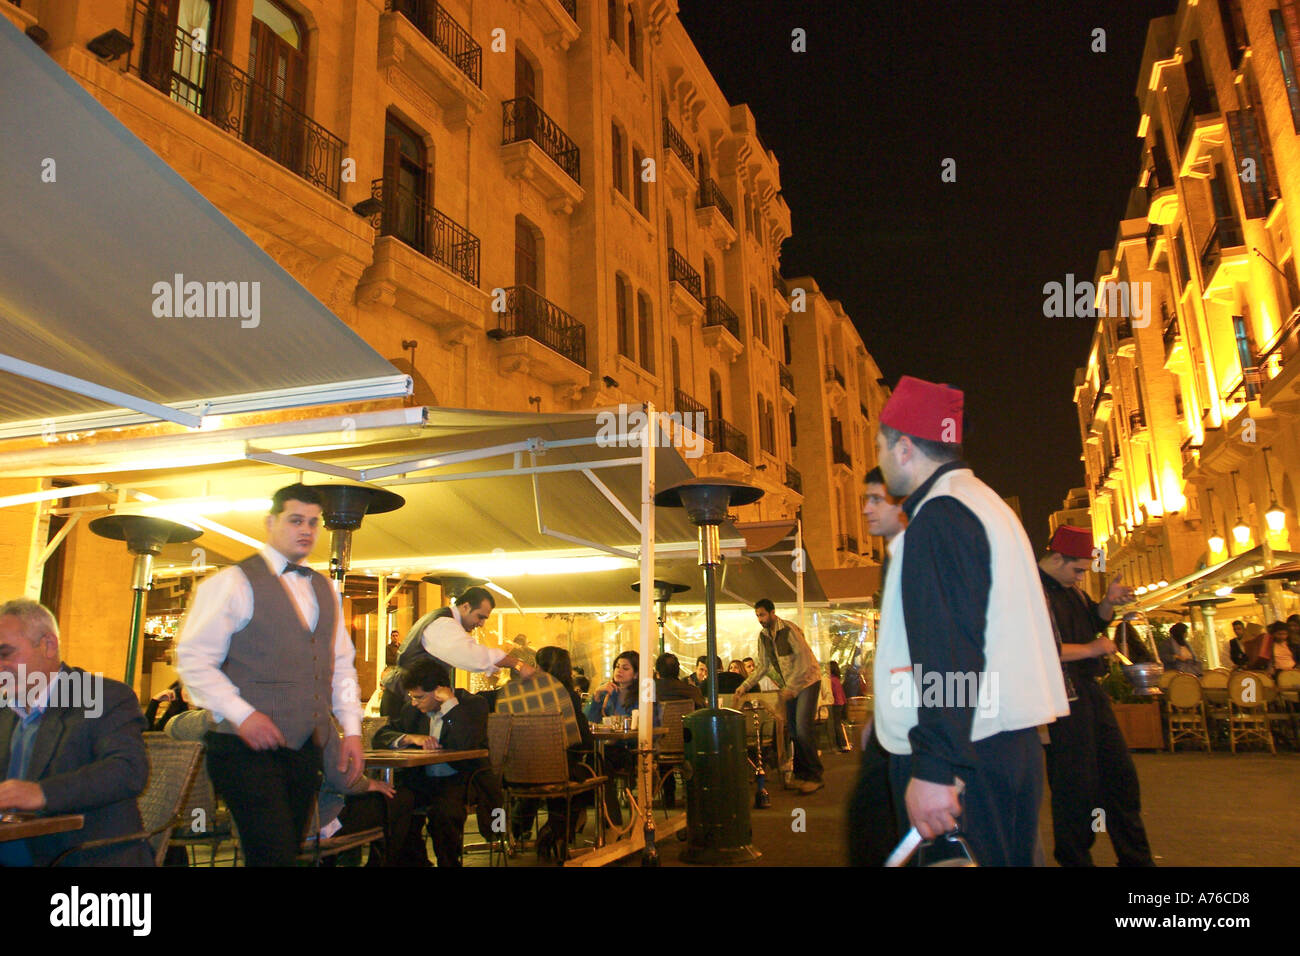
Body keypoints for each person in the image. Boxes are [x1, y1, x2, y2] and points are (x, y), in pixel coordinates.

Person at [873, 376, 1068, 867]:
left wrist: (938, 766)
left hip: (967, 758)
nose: (876, 459)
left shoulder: (939, 517)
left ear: (902, 448)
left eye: (878, 445)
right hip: (1002, 747)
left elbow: (950, 646)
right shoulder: (987, 505)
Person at [176, 483, 365, 867]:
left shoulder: (324, 587)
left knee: (286, 854)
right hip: (243, 750)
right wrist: (243, 714)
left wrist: (352, 730)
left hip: (302, 747)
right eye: (296, 520)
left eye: (314, 522)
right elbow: (193, 658)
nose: (307, 530)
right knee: (273, 857)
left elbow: (341, 663)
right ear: (270, 522)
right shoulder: (232, 582)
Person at [0, 598, 152, 867]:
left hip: (79, 855)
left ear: (48, 645)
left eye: (5, 653)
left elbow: (127, 770)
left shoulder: (100, 697)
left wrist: (41, 793)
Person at [1039, 524, 1155, 868]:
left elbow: (1093, 623)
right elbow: (1038, 648)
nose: (1079, 578)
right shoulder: (1030, 590)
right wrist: (1090, 649)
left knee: (1120, 778)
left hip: (1089, 692)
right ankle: (1076, 860)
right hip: (1062, 700)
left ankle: (1136, 859)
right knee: (1076, 788)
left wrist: (1107, 603)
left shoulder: (1071, 589)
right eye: (1076, 570)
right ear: (1057, 558)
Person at [373, 658, 490, 867]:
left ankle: (449, 862)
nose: (414, 702)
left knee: (443, 811)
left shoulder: (472, 705)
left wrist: (450, 706)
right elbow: (381, 736)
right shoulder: (412, 711)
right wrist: (409, 738)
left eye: (419, 697)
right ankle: (411, 861)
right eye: (412, 697)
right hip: (423, 780)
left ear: (439, 691)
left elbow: (465, 743)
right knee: (395, 802)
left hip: (461, 778)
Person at [847, 466, 905, 866]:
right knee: (871, 821)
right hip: (895, 716)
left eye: (876, 499)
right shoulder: (892, 560)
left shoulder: (919, 555)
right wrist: (875, 709)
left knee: (878, 823)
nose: (865, 508)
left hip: (917, 720)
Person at [386, 587, 535, 713]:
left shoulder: (440, 618)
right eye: (480, 617)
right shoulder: (443, 624)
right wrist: (516, 664)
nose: (481, 624)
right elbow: (474, 656)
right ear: (465, 607)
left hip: (412, 696)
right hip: (406, 699)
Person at [511, 645, 595, 856]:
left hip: (519, 772)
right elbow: (583, 740)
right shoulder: (569, 696)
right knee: (588, 773)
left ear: (538, 667)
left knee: (552, 773)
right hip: (559, 770)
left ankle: (519, 827)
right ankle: (556, 832)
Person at [735, 599, 824, 795]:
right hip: (791, 685)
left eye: (762, 615)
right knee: (793, 730)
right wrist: (744, 686)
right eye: (757, 616)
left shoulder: (789, 630)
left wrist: (790, 687)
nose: (760, 619)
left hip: (808, 681)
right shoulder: (764, 637)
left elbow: (804, 660)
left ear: (773, 613)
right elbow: (763, 666)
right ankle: (801, 776)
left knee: (802, 728)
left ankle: (815, 776)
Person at [827, 661, 850, 752]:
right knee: (838, 724)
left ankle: (842, 745)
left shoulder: (831, 680)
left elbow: (831, 694)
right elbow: (841, 693)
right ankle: (842, 744)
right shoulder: (836, 679)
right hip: (841, 703)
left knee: (836, 725)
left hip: (836, 704)